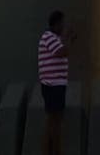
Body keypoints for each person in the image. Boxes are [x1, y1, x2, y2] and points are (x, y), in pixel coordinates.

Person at [38, 10, 76, 155]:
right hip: (52, 85)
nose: (63, 26)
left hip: (56, 85)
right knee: (53, 121)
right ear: (56, 23)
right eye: (62, 24)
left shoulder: (53, 38)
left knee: (55, 121)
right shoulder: (48, 37)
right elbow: (62, 52)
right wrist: (70, 40)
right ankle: (52, 151)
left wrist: (66, 39)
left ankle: (53, 151)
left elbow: (62, 49)